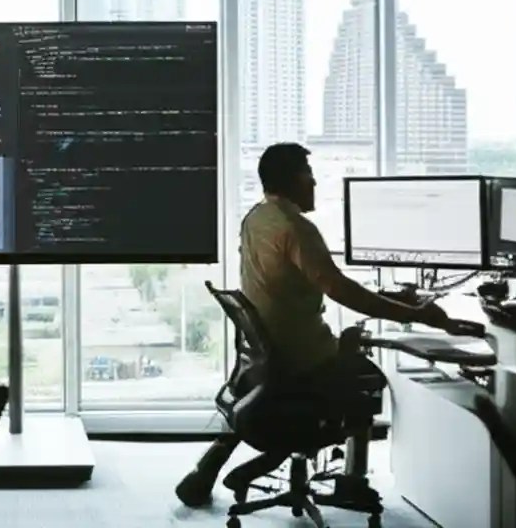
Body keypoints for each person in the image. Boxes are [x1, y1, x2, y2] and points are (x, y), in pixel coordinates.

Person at [176, 142, 458, 508]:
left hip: (267, 356)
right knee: (368, 379)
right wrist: (414, 314)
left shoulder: (255, 218)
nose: (314, 184)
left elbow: (306, 281)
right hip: (303, 360)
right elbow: (341, 290)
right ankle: (350, 484)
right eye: (309, 176)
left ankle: (210, 467)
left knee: (270, 388)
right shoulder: (296, 228)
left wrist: (393, 302)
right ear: (294, 180)